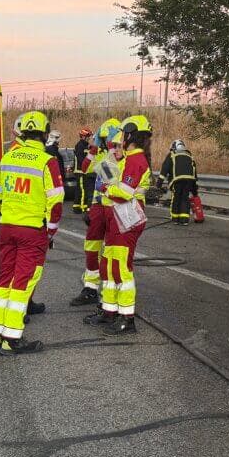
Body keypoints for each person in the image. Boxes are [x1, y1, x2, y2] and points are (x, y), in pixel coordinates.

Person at [0, 111, 64, 355]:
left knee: (4, 280)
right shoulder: (46, 161)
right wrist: (51, 231)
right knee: (22, 283)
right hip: (32, 231)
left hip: (7, 229)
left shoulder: (7, 158)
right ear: (44, 133)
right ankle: (13, 338)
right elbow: (57, 200)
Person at [86, 115, 152, 335]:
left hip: (126, 218)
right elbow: (98, 170)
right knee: (109, 266)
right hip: (116, 218)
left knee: (121, 269)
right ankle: (109, 311)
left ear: (131, 135)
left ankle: (127, 317)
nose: (119, 139)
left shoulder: (136, 160)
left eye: (123, 135)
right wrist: (103, 159)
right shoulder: (124, 158)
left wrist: (105, 188)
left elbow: (123, 192)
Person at [70, 118, 120, 306]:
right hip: (98, 206)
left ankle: (110, 296)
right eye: (103, 139)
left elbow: (112, 177)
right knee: (91, 248)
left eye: (108, 139)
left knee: (111, 252)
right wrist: (93, 149)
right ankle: (90, 289)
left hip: (115, 208)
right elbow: (85, 168)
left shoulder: (122, 155)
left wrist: (112, 152)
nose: (105, 143)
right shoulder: (101, 153)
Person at [160, 139, 198, 225]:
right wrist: (195, 191)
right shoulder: (190, 156)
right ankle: (184, 220)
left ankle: (175, 219)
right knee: (185, 198)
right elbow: (194, 172)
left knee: (176, 198)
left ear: (174, 147)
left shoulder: (172, 155)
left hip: (177, 180)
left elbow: (164, 169)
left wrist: (158, 184)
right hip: (189, 181)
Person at [71, 127, 93, 212]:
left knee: (81, 189)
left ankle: (77, 206)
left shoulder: (85, 145)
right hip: (80, 171)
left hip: (83, 171)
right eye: (88, 137)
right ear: (84, 136)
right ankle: (82, 207)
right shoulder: (80, 145)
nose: (89, 138)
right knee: (82, 190)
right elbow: (81, 159)